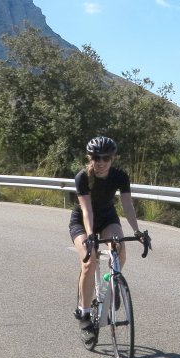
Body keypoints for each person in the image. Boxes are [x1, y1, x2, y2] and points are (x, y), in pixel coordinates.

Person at [70, 136, 142, 345]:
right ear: (89, 158)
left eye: (106, 158)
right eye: (96, 157)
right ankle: (83, 316)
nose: (101, 162)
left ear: (112, 158)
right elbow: (86, 209)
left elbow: (127, 206)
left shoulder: (120, 176)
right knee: (89, 261)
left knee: (119, 248)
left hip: (108, 218)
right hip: (83, 222)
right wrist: (91, 235)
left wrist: (137, 231)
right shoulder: (82, 177)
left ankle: (111, 287)